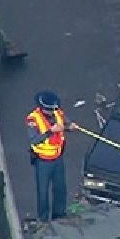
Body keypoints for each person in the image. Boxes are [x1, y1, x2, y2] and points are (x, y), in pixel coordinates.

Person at [27, 91, 78, 221]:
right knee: (43, 192)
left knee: (60, 188)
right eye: (50, 110)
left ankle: (59, 215)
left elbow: (64, 124)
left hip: (58, 159)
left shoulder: (57, 113)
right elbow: (34, 139)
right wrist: (50, 132)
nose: (52, 112)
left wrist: (69, 127)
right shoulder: (33, 119)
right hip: (43, 161)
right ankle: (43, 219)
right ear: (43, 108)